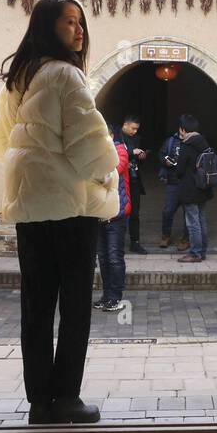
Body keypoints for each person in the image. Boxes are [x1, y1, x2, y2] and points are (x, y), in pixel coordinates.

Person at [0, 0, 121, 425]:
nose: (79, 30)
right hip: (71, 207)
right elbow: (93, 149)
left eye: (80, 22)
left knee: (37, 304)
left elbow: (2, 139)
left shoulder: (20, 77)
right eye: (69, 22)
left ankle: (39, 402)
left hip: (31, 209)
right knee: (76, 303)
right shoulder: (66, 75)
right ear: (49, 27)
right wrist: (109, 175)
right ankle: (67, 398)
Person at [95, 129, 132, 311]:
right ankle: (106, 295)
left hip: (117, 214)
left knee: (114, 257)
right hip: (100, 214)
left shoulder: (120, 150)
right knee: (103, 257)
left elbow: (112, 172)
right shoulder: (97, 151)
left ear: (111, 135)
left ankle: (116, 297)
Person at [172, 113, 213, 263]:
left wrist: (177, 171)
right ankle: (202, 251)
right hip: (203, 187)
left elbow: (180, 169)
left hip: (190, 189)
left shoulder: (187, 144)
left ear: (183, 129)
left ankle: (195, 253)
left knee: (193, 222)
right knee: (201, 219)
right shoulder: (204, 143)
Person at [111, 114, 150, 254]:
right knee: (118, 212)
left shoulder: (136, 139)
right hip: (119, 181)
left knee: (134, 213)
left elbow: (136, 161)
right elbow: (113, 154)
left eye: (137, 129)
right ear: (125, 124)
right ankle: (116, 244)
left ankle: (135, 242)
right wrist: (130, 152)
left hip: (134, 179)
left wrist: (141, 157)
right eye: (133, 128)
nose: (135, 132)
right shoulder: (114, 136)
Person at [157, 129, 188, 250]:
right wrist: (165, 161)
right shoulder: (171, 141)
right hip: (172, 182)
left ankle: (186, 238)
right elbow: (161, 154)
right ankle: (166, 236)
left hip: (188, 183)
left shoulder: (193, 141)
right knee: (168, 211)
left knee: (188, 213)